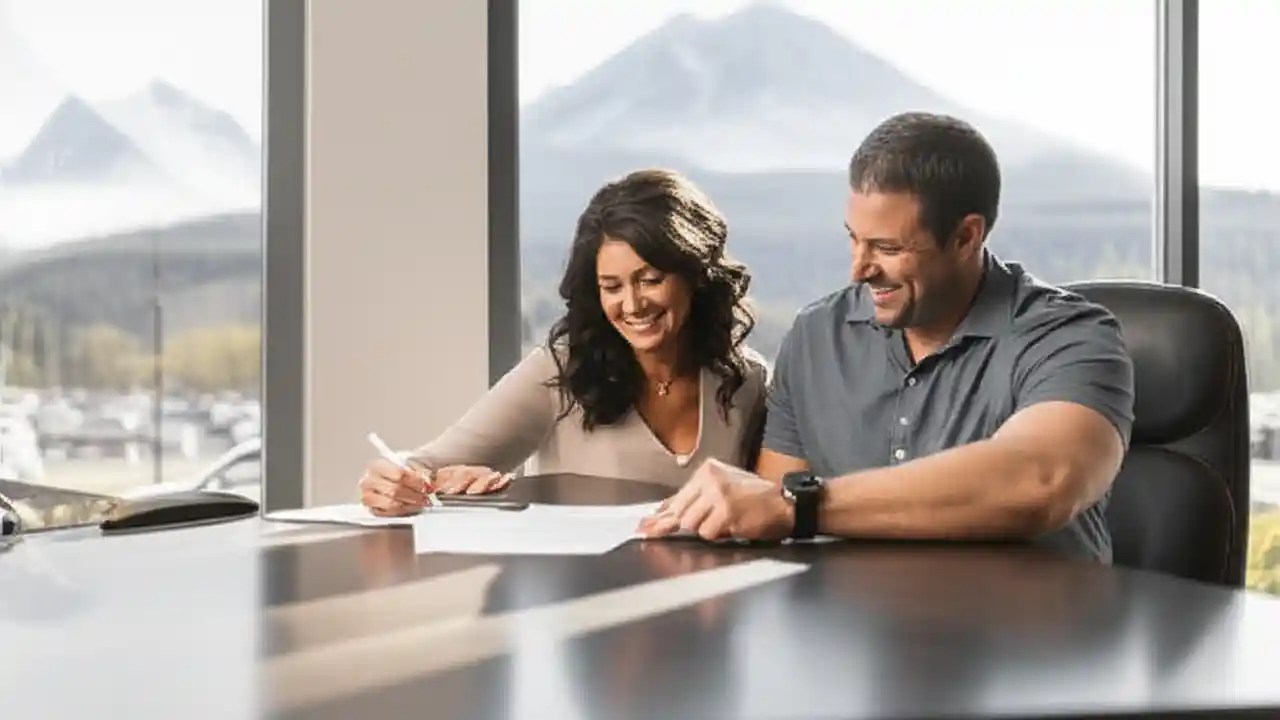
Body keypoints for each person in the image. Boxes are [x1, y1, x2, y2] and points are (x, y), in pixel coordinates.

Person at [639, 112, 1135, 562]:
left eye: (887, 247)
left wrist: (803, 505)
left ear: (966, 237)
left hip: (1035, 648)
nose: (859, 269)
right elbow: (770, 520)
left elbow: (1042, 480)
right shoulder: (816, 337)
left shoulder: (1069, 337)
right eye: (853, 239)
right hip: (858, 639)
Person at [359, 169, 768, 516]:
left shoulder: (746, 380)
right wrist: (394, 485)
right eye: (611, 286)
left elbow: (768, 505)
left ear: (696, 274)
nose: (632, 304)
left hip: (708, 600)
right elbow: (422, 467)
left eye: (650, 280)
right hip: (584, 600)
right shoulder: (560, 370)